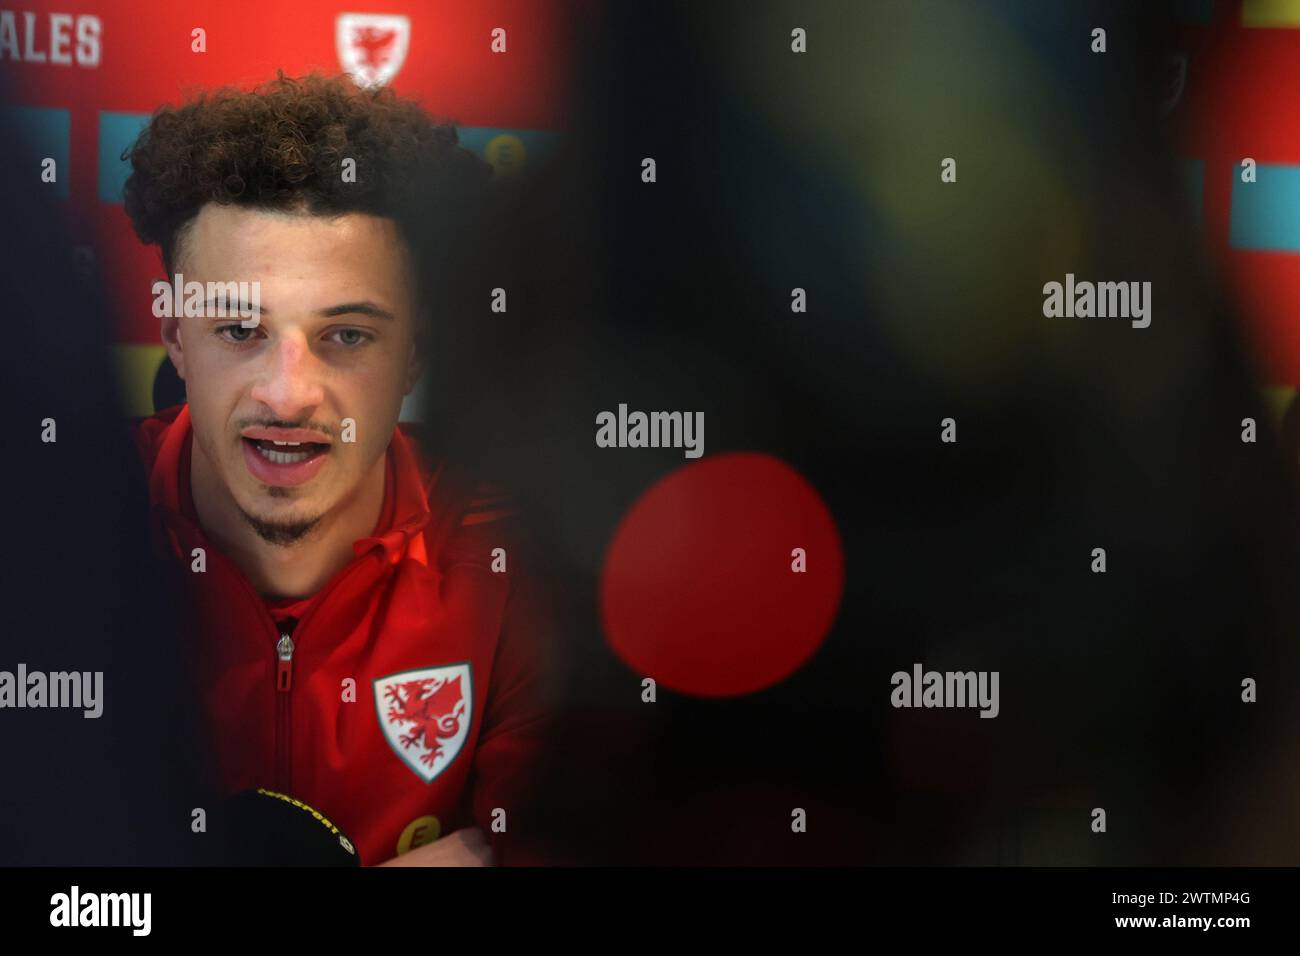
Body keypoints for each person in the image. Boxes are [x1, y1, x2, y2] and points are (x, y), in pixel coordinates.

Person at [122, 73, 557, 866]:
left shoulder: (518, 557)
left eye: (347, 336)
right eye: (239, 329)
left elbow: (553, 844)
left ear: (416, 350)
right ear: (176, 337)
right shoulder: (55, 534)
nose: (289, 395)